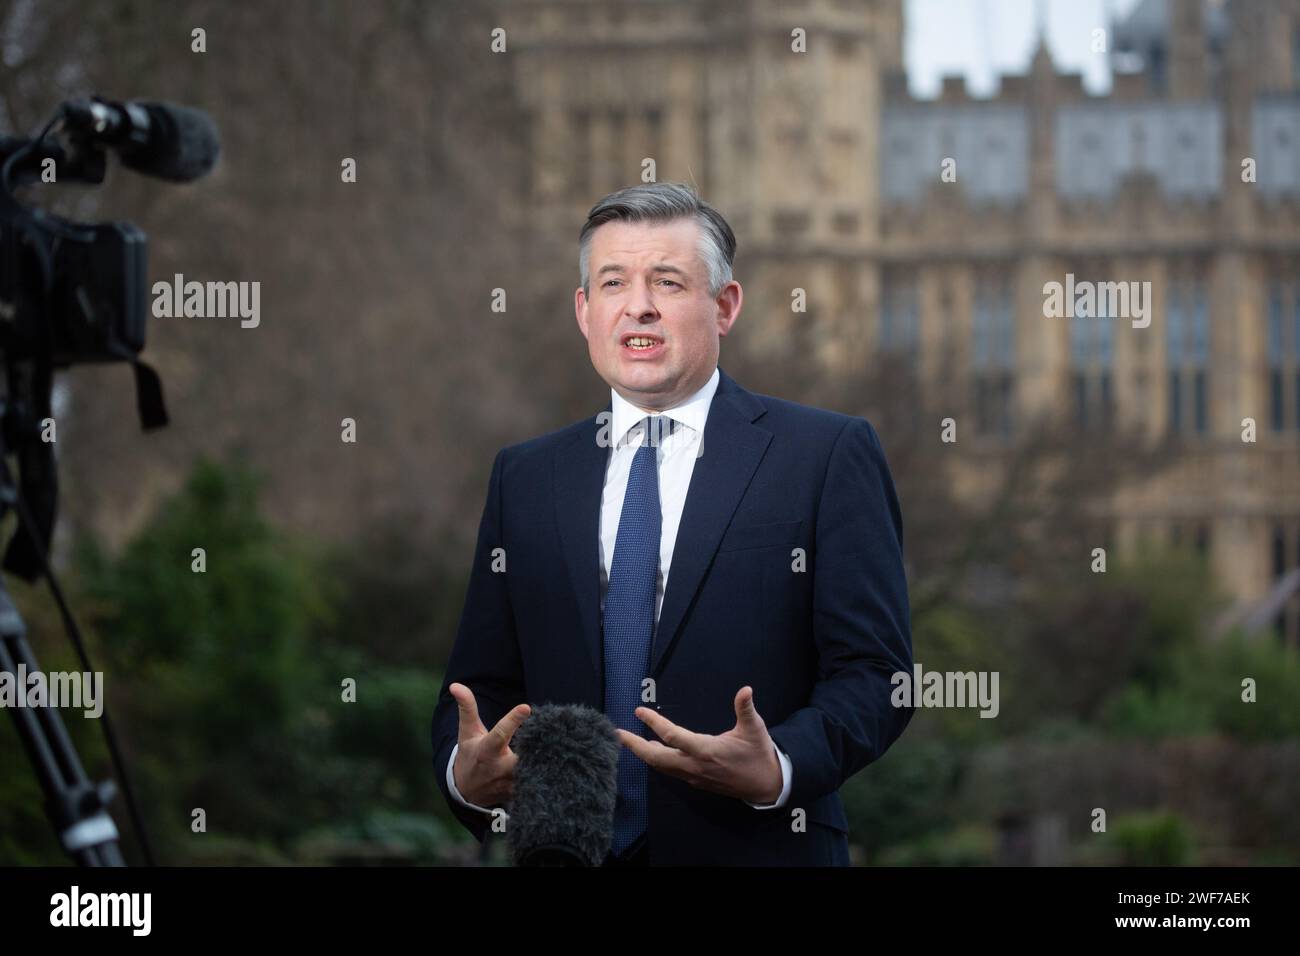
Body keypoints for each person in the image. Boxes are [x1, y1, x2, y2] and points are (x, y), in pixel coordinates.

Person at [430, 181, 914, 866]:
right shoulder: (526, 476)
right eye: (613, 283)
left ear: (725, 306)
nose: (640, 307)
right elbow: (477, 688)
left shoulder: (824, 455)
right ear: (584, 310)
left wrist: (778, 764)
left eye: (668, 282)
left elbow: (877, 674)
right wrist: (465, 775)